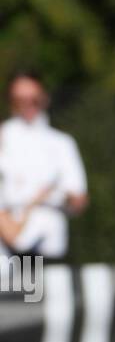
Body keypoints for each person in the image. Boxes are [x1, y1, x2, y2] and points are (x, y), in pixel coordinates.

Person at [0, 71, 88, 260]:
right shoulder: (3, 138)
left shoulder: (62, 144)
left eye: (34, 100)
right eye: (20, 100)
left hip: (46, 245)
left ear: (44, 99)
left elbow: (78, 198)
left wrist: (52, 197)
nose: (28, 106)